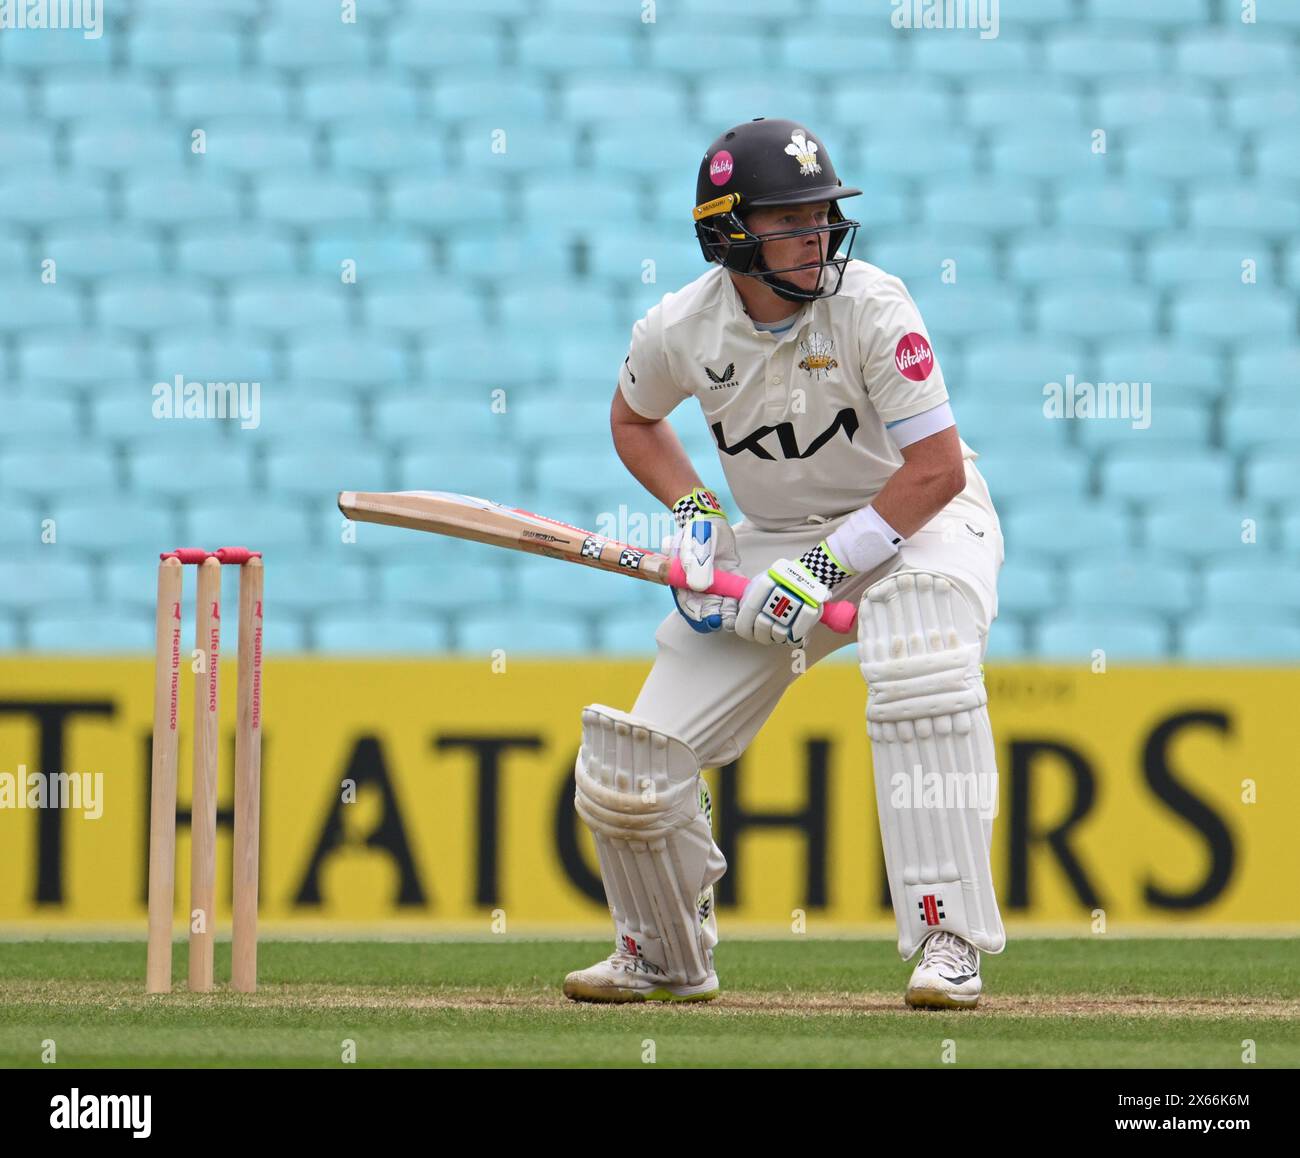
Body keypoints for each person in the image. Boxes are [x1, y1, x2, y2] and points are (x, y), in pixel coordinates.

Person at [564, 117, 1005, 1010]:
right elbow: (633, 419)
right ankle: (661, 952)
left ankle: (947, 937)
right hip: (772, 541)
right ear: (729, 231)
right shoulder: (680, 327)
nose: (818, 234)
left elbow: (937, 471)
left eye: (823, 214)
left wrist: (819, 572)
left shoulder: (875, 307)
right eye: (792, 218)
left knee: (919, 651)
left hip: (919, 524)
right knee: (633, 766)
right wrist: (695, 512)